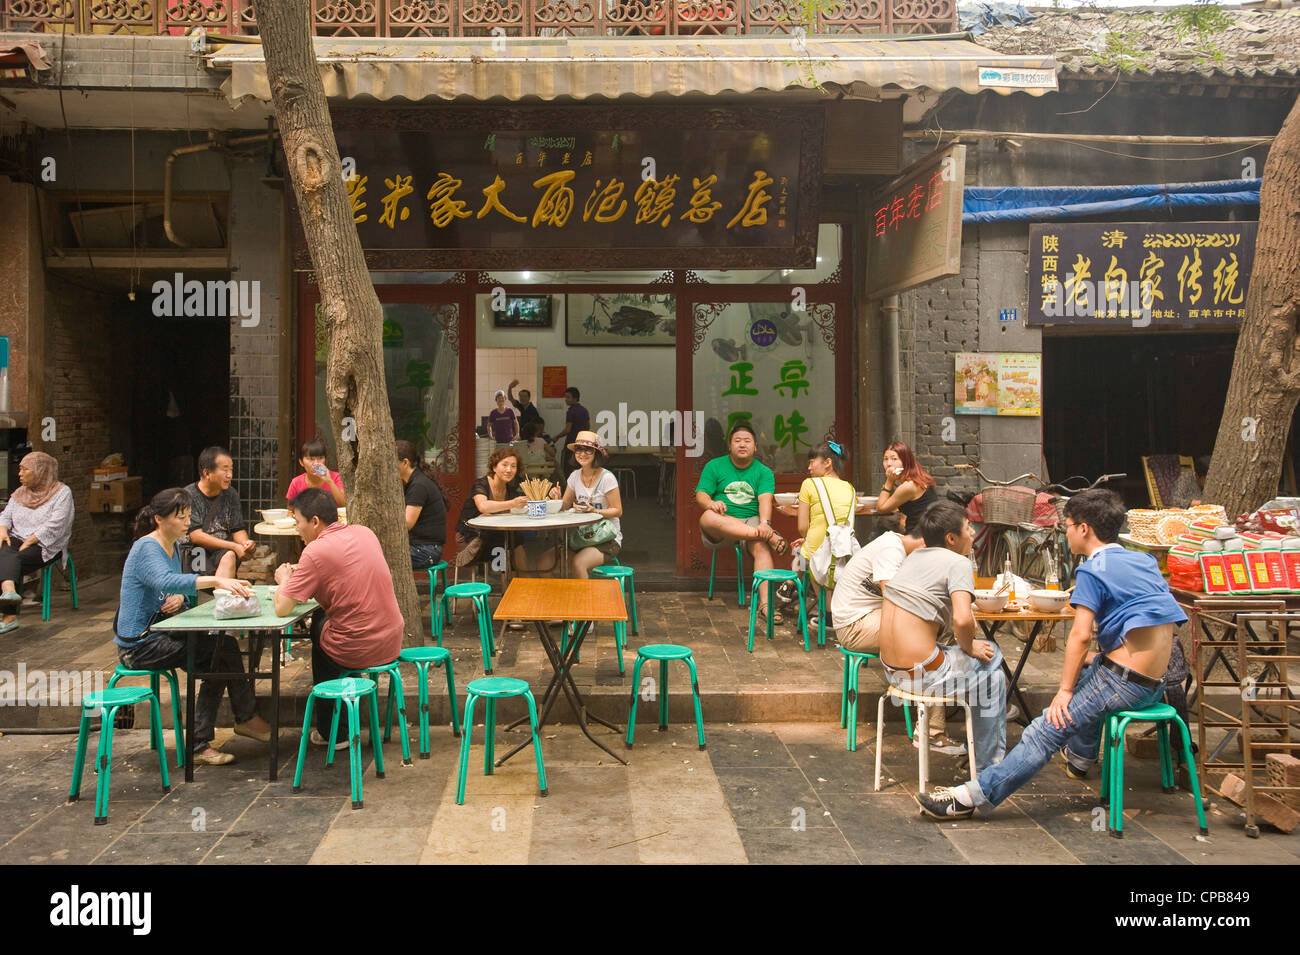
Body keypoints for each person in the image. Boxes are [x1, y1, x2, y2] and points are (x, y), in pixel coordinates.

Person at [916, 489, 1187, 820]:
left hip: (1125, 684)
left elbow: (1080, 635)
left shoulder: (1092, 570)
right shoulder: (1141, 559)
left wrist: (1064, 691)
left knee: (1044, 730)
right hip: (1159, 681)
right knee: (1090, 670)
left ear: (1084, 529)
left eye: (1068, 525)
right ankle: (1081, 759)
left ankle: (968, 798)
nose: (1066, 531)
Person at [115, 488, 272, 766]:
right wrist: (216, 581)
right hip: (140, 644)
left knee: (221, 649)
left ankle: (228, 727)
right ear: (159, 519)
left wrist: (180, 598)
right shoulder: (146, 547)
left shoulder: (174, 546)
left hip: (162, 630)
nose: (187, 522)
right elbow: (165, 580)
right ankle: (222, 730)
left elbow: (181, 589)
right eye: (180, 517)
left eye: (188, 516)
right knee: (218, 654)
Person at [879, 499, 1007, 773]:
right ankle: (989, 770)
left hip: (892, 672)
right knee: (993, 661)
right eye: (968, 527)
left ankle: (982, 758)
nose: (972, 533)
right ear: (951, 538)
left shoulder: (914, 557)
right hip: (924, 675)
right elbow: (962, 619)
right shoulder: (957, 562)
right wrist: (970, 646)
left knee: (986, 675)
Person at [273, 488, 404, 749]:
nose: (296, 528)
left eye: (297, 522)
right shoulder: (364, 532)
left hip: (358, 647)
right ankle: (347, 705)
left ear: (314, 522)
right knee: (332, 623)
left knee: (318, 631)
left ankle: (334, 731)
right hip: (391, 641)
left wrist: (284, 580)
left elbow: (282, 608)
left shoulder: (314, 551)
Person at [697, 422, 785, 621]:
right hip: (722, 524)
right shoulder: (715, 466)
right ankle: (766, 535)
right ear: (729, 445)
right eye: (737, 441)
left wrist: (764, 523)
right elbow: (701, 495)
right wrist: (711, 503)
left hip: (752, 521)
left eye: (747, 441)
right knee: (707, 516)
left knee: (761, 547)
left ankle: (766, 606)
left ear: (755, 446)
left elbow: (765, 499)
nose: (742, 445)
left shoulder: (763, 472)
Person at [0, 452, 74, 633]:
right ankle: (8, 590)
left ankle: (9, 615)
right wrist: (2, 530)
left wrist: (33, 538)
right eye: (19, 470)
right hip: (17, 540)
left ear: (40, 471)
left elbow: (58, 523)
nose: (20, 474)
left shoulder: (61, 493)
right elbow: (6, 515)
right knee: (6, 553)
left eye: (24, 469)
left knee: (11, 559)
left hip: (46, 545)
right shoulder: (19, 493)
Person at [453, 447, 559, 572]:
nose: (509, 470)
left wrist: (554, 498)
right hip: (471, 538)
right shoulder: (481, 484)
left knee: (515, 539)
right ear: (494, 467)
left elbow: (520, 509)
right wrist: (512, 504)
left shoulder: (510, 490)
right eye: (504, 465)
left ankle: (519, 583)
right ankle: (512, 582)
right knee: (507, 542)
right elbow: (483, 506)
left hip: (493, 536)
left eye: (513, 466)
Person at [788, 440, 857, 634]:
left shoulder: (809, 484)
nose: (808, 467)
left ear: (827, 462)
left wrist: (806, 538)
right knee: (821, 560)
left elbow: (802, 526)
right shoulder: (849, 488)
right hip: (842, 548)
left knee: (800, 553)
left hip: (818, 551)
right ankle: (833, 613)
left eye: (812, 462)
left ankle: (792, 586)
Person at [832, 525, 925, 653]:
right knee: (925, 629)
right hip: (853, 626)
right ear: (924, 545)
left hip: (868, 615)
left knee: (932, 620)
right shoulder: (891, 549)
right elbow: (894, 600)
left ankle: (934, 669)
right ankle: (922, 671)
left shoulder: (898, 545)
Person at [559, 430, 623, 577]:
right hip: (582, 537)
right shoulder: (574, 476)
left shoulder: (607, 478)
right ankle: (564, 597)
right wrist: (556, 499)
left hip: (607, 538)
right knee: (545, 563)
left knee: (578, 563)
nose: (582, 454)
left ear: (596, 453)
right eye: (578, 449)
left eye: (588, 449)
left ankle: (585, 600)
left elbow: (618, 511)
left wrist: (594, 511)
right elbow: (564, 505)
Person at [184, 446, 255, 577]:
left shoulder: (231, 494)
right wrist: (234, 546)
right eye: (224, 470)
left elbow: (237, 529)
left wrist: (245, 544)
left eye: (231, 469)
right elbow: (196, 535)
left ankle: (222, 595)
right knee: (228, 552)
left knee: (228, 555)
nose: (230, 475)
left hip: (222, 551)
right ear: (206, 473)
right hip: (196, 552)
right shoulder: (188, 495)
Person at [396, 440, 448, 570]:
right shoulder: (413, 481)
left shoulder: (418, 485)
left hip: (426, 550)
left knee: (378, 556)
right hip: (421, 547)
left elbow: (407, 523)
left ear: (405, 463)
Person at [875, 440, 938, 531]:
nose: (889, 464)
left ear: (905, 461)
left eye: (894, 459)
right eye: (885, 459)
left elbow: (880, 509)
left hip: (920, 536)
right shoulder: (916, 477)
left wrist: (889, 481)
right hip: (925, 530)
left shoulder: (909, 485)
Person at [284, 437, 345, 507]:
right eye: (311, 459)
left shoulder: (336, 477)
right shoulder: (296, 482)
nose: (316, 463)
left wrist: (329, 481)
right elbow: (290, 509)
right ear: (301, 462)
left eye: (320, 458)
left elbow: (343, 505)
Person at [555, 387, 590, 474]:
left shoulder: (571, 411)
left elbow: (567, 429)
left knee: (568, 470)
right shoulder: (584, 410)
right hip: (582, 444)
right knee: (581, 469)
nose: (566, 399)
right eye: (565, 397)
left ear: (575, 398)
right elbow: (588, 426)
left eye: (568, 397)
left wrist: (557, 436)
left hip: (571, 444)